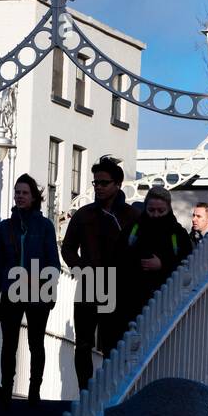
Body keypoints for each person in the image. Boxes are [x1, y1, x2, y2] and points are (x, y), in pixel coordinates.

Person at [60, 156, 139, 391]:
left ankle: (108, 392)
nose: (99, 187)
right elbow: (67, 248)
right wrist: (81, 270)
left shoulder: (131, 217)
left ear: (117, 184)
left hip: (117, 285)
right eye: (96, 183)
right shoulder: (84, 215)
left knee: (112, 344)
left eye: (104, 183)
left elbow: (139, 250)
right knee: (83, 344)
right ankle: (85, 393)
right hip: (89, 283)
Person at [0, 174, 59, 406]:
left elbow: (53, 262)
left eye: (25, 193)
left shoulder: (45, 226)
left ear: (34, 197)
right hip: (11, 291)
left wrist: (50, 290)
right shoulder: (4, 227)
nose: (20, 196)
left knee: (36, 343)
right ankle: (7, 389)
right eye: (17, 192)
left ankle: (34, 392)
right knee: (8, 343)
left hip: (38, 291)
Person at [123, 186, 193, 326]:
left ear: (168, 208)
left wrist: (163, 265)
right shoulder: (133, 229)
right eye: (151, 210)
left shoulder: (178, 233)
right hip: (133, 297)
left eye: (161, 211)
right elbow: (120, 257)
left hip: (167, 298)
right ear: (145, 207)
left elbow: (188, 264)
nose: (155, 215)